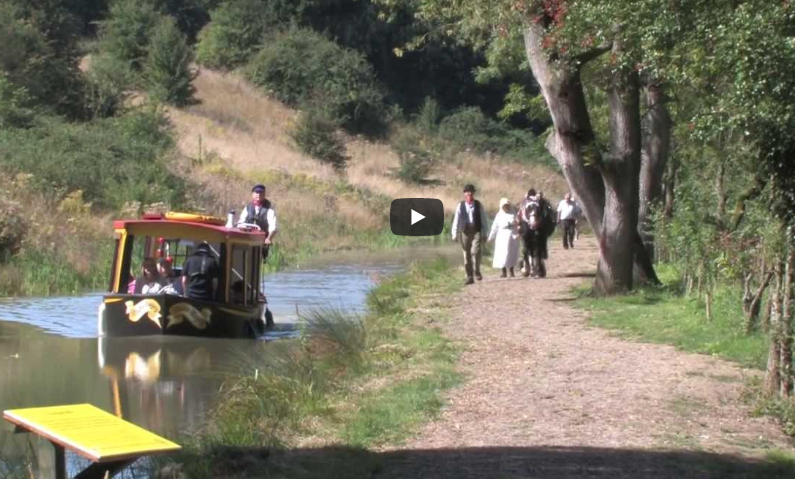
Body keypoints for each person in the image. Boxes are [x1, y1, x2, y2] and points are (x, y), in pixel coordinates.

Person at [451, 184, 489, 285]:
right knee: (466, 253)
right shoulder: (461, 205)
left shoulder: (478, 204)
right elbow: (456, 220)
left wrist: (485, 233)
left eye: (471, 191)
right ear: (464, 194)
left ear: (473, 193)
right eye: (467, 191)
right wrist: (454, 233)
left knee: (476, 251)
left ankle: (477, 270)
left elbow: (484, 219)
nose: (469, 193)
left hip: (476, 230)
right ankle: (469, 275)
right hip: (465, 231)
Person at [237, 184, 277, 258]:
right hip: (247, 239)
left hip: (261, 241)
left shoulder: (270, 210)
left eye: (261, 193)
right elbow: (240, 223)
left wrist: (269, 238)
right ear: (252, 194)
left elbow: (273, 227)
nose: (258, 195)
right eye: (256, 192)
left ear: (264, 194)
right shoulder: (247, 208)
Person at [487, 198, 520, 278]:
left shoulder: (513, 214)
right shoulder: (499, 215)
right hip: (501, 236)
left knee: (511, 254)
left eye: (507, 205)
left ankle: (511, 271)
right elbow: (494, 227)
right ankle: (503, 271)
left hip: (512, 236)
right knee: (502, 254)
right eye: (504, 206)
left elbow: (518, 224)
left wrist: (518, 233)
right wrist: (490, 237)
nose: (506, 207)